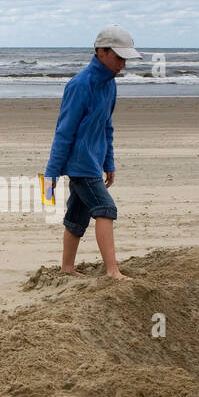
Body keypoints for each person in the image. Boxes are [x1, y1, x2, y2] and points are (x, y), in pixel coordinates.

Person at [43, 25, 140, 279]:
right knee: (105, 209)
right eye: (119, 57)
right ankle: (112, 271)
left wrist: (109, 162)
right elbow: (63, 132)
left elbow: (107, 126)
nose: (123, 65)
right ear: (101, 51)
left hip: (95, 163)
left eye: (125, 59)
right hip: (80, 165)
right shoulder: (79, 85)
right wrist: (51, 174)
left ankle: (66, 268)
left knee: (77, 215)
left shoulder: (110, 85)